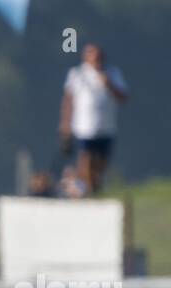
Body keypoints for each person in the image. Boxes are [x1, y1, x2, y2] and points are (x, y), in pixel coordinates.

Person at [59, 43, 128, 194]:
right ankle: (87, 190)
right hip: (84, 127)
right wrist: (65, 126)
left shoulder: (112, 73)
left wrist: (109, 84)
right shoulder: (77, 74)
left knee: (101, 164)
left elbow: (123, 98)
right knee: (86, 160)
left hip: (106, 127)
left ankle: (93, 188)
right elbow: (68, 101)